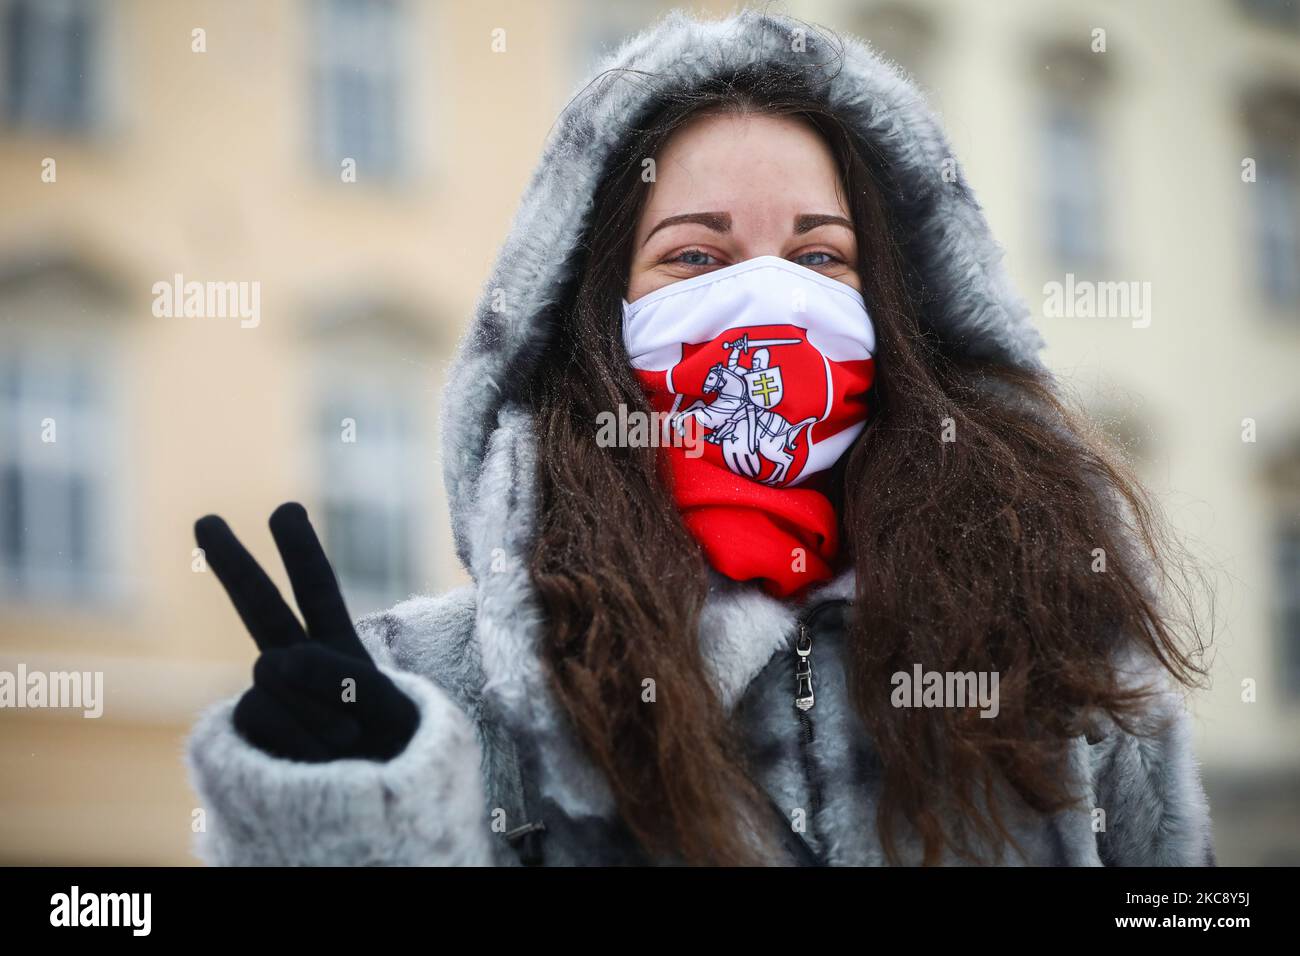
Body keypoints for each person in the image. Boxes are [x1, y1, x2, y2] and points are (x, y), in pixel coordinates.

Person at [185, 10, 1215, 866]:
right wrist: (351, 826)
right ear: (596, 318)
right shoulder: (448, 692)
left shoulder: (1059, 652)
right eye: (694, 255)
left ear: (900, 311)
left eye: (819, 255)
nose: (764, 297)